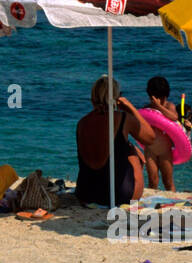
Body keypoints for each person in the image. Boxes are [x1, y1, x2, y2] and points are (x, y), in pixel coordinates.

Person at [76, 76, 155, 206]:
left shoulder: (82, 123)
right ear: (117, 98)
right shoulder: (122, 118)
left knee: (124, 147)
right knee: (131, 151)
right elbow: (150, 138)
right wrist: (130, 108)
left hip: (86, 194)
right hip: (118, 195)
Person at [142, 76, 180, 191]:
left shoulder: (169, 106)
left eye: (161, 98)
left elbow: (174, 117)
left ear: (166, 96)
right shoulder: (147, 109)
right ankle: (152, 205)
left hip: (165, 151)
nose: (158, 100)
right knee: (152, 180)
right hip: (150, 150)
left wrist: (159, 107)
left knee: (167, 181)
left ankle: (172, 203)